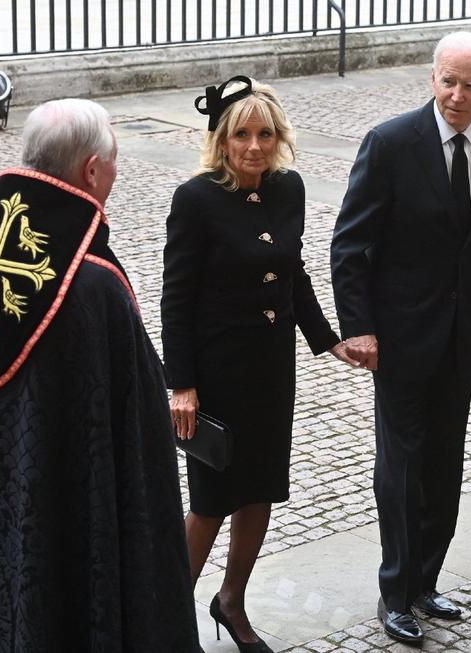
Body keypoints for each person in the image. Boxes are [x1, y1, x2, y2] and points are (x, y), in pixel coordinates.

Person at [0, 99, 201, 651]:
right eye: (113, 160)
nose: (116, 170)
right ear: (91, 171)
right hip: (62, 522)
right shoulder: (94, 286)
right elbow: (139, 447)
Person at [331, 31, 471, 645]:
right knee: (402, 462)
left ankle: (426, 579)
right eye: (447, 81)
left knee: (444, 459)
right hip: (398, 336)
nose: (456, 95)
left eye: (470, 85)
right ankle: (396, 591)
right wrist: (357, 327)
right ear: (431, 77)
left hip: (461, 333)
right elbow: (350, 244)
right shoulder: (390, 144)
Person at [162, 75, 355, 653]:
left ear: (279, 137)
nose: (254, 146)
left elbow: (293, 272)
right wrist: (183, 387)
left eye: (264, 134)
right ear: (221, 139)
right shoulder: (195, 199)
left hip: (271, 368)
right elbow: (176, 300)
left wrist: (327, 340)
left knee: (261, 490)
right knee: (210, 499)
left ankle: (231, 602)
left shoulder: (288, 188)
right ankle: (167, 615)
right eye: (241, 134)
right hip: (217, 373)